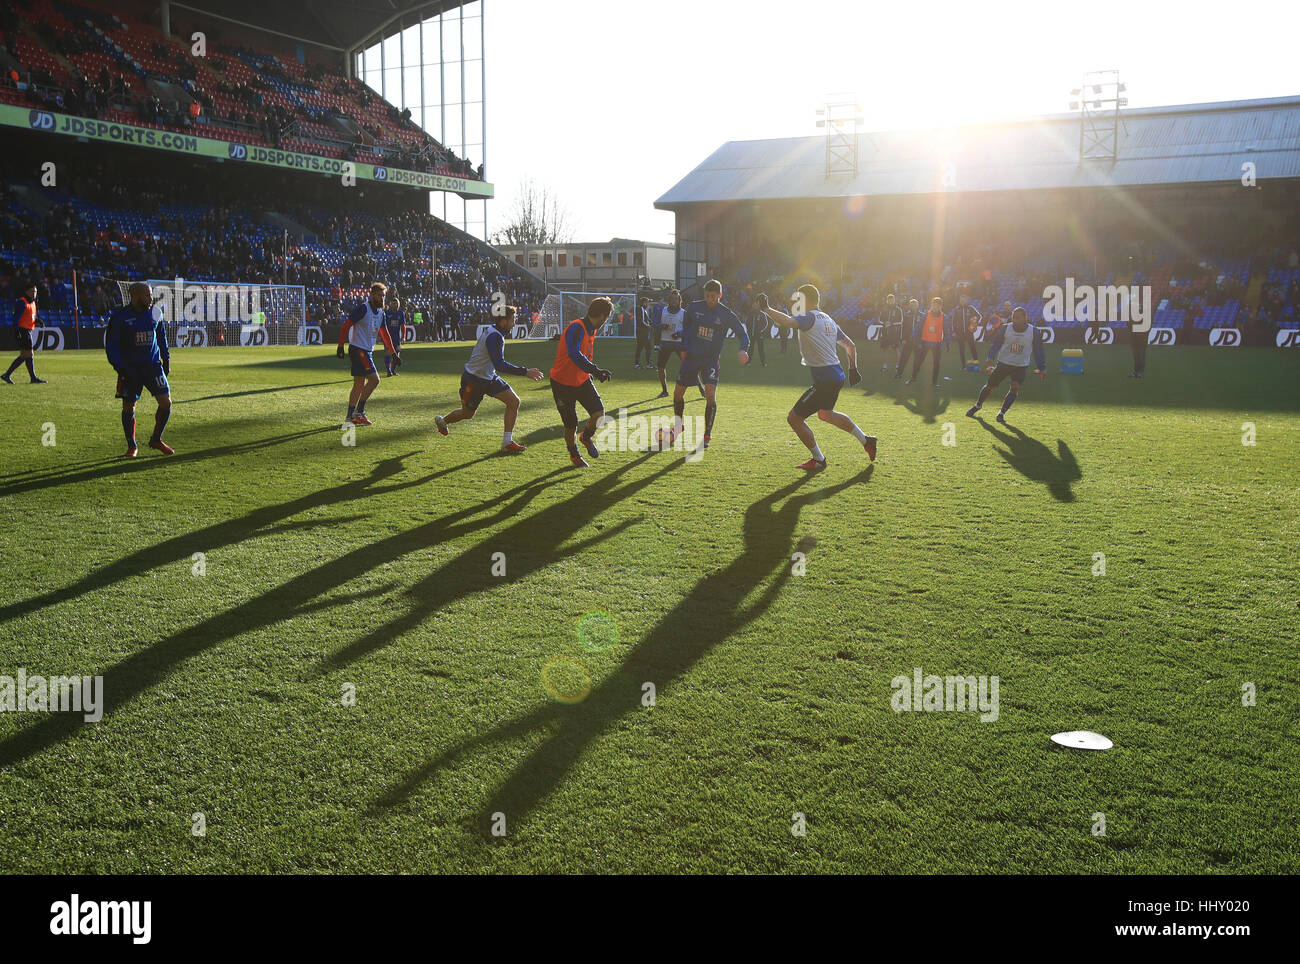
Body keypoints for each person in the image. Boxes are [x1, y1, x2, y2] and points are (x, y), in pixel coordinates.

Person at [757, 287, 876, 470]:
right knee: (825, 414)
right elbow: (850, 345)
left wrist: (766, 309)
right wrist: (853, 369)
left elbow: (787, 321)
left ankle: (819, 460)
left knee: (794, 419)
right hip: (836, 375)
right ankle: (866, 440)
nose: (797, 303)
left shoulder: (809, 317)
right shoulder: (828, 319)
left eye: (799, 299)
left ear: (806, 300)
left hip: (825, 379)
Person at [435, 305, 543, 452]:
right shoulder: (494, 336)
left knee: (514, 401)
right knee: (467, 413)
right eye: (513, 320)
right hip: (472, 380)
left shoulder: (495, 332)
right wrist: (525, 372)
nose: (514, 323)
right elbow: (500, 364)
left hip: (488, 378)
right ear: (504, 321)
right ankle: (442, 421)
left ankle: (507, 442)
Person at [659, 279, 749, 451]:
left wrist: (743, 349)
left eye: (713, 297)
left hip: (711, 360)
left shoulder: (726, 314)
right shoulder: (694, 308)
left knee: (710, 395)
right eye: (707, 296)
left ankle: (707, 434)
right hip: (691, 357)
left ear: (720, 296)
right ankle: (678, 426)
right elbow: (685, 327)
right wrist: (684, 347)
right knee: (678, 394)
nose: (709, 299)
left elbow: (742, 334)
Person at [104, 282, 173, 457]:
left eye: (151, 295)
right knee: (129, 406)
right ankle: (132, 446)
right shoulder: (120, 317)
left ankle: (156, 439)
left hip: (153, 366)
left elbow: (161, 337)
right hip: (130, 369)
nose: (151, 299)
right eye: (147, 295)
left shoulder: (156, 312)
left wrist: (166, 359)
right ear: (135, 297)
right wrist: (119, 367)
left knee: (166, 403)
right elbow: (111, 346)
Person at [549, 297, 613, 467]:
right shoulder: (577, 327)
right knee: (571, 424)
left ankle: (586, 437)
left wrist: (591, 372)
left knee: (599, 413)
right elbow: (574, 354)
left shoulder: (591, 329)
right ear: (601, 315)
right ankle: (574, 454)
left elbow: (583, 353)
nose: (605, 321)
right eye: (606, 318)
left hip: (582, 380)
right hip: (562, 383)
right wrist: (596, 370)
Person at [965, 307, 1046, 424]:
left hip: (1020, 366)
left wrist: (1042, 367)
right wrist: (990, 357)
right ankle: (978, 405)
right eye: (1013, 317)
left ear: (1025, 318)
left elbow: (1038, 351)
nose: (1014, 320)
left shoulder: (1034, 331)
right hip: (1004, 363)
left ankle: (1001, 413)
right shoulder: (1005, 328)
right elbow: (996, 344)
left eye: (1018, 318)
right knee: (990, 386)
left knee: (1015, 387)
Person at [337, 282, 398, 425]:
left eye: (383, 296)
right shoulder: (364, 308)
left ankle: (350, 417)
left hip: (366, 351)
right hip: (359, 350)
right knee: (375, 380)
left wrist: (394, 353)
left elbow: (385, 333)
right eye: (378, 295)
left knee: (359, 384)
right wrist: (340, 346)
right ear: (371, 295)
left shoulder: (381, 313)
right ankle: (359, 411)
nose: (381, 298)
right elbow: (346, 325)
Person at [2, 283, 47, 385]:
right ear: (26, 291)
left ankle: (7, 375)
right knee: (29, 354)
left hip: (28, 330)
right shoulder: (22, 302)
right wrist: (17, 331)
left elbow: (30, 317)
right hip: (23, 331)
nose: (34, 294)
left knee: (24, 355)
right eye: (32, 291)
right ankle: (33, 378)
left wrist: (37, 321)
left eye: (35, 292)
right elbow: (16, 318)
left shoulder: (33, 303)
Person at [652, 289, 691, 398]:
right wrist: (662, 326)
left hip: (679, 343)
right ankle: (664, 390)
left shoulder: (684, 313)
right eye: (672, 299)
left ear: (680, 301)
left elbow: (690, 329)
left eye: (676, 299)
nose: (674, 301)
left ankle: (701, 388)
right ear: (669, 300)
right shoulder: (663, 310)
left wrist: (680, 333)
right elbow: (654, 324)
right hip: (665, 342)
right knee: (660, 367)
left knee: (689, 366)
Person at [906, 296, 948, 388]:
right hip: (925, 342)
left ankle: (934, 382)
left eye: (937, 305)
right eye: (933, 304)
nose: (935, 307)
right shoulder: (926, 315)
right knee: (919, 361)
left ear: (941, 306)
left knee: (936, 363)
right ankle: (913, 377)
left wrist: (947, 342)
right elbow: (919, 326)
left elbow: (946, 330)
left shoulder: (943, 317)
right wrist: (914, 335)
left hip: (937, 344)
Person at [950, 293, 982, 368]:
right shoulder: (957, 309)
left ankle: (976, 364)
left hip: (969, 332)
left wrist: (975, 324)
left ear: (967, 300)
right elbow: (953, 321)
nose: (962, 301)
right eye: (961, 300)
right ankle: (963, 365)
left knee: (972, 348)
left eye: (964, 300)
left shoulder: (970, 308)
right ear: (959, 301)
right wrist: (954, 331)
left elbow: (979, 316)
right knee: (961, 349)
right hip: (960, 333)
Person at [893, 297, 921, 379]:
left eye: (915, 305)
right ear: (909, 306)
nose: (913, 307)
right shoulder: (906, 315)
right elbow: (903, 328)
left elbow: (923, 329)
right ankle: (899, 374)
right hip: (908, 341)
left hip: (918, 341)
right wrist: (903, 339)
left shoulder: (922, 315)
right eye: (912, 305)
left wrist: (922, 340)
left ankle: (914, 375)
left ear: (918, 305)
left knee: (917, 359)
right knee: (903, 359)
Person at [879, 293, 904, 373]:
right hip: (885, 332)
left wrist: (891, 323)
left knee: (896, 349)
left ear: (894, 300)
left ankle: (898, 365)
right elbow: (879, 319)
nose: (890, 301)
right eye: (889, 300)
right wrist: (884, 323)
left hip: (894, 333)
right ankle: (885, 365)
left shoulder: (898, 309)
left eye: (892, 300)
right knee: (884, 349)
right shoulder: (883, 309)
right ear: (887, 301)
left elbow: (901, 321)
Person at [384, 295, 406, 376]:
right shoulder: (387, 313)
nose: (395, 305)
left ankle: (393, 370)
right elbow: (383, 326)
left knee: (397, 355)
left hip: (397, 337)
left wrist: (403, 337)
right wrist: (380, 335)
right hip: (388, 337)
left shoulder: (401, 313)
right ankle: (388, 371)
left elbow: (403, 326)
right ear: (390, 304)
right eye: (393, 303)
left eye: (396, 303)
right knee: (388, 353)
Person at [634, 300, 654, 369]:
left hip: (643, 331)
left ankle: (640, 364)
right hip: (642, 331)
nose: (648, 304)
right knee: (643, 348)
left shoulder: (643, 310)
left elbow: (646, 319)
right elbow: (641, 321)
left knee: (644, 347)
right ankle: (642, 364)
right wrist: (648, 326)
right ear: (643, 303)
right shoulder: (641, 309)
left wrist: (650, 322)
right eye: (647, 302)